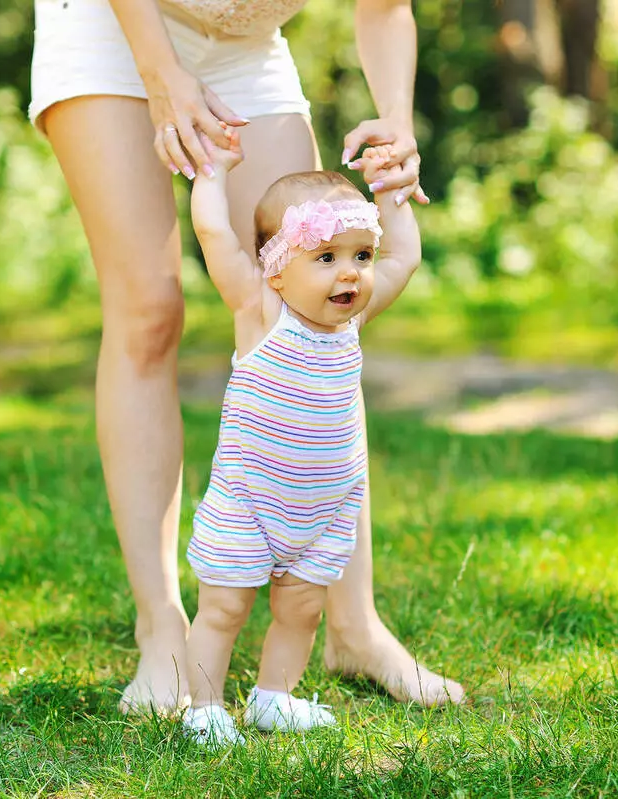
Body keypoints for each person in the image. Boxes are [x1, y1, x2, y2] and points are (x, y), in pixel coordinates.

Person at [29, 0, 464, 713]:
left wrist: (397, 122)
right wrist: (161, 72)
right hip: (111, 31)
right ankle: (161, 628)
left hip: (247, 46)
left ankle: (353, 625)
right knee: (148, 309)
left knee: (317, 312)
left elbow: (385, 8)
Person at [181, 130, 423, 747]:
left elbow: (405, 260)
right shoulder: (260, 310)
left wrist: (392, 197)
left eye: (359, 256)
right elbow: (215, 236)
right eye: (326, 259)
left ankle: (274, 698)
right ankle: (203, 709)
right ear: (277, 269)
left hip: (323, 507)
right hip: (250, 501)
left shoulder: (353, 320)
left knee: (302, 610)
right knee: (225, 609)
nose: (350, 274)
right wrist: (212, 175)